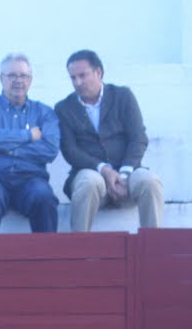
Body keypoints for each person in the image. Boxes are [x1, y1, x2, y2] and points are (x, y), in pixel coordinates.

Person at [54, 50, 165, 233]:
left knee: (150, 181)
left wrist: (124, 174)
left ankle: (152, 248)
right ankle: (79, 248)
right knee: (89, 181)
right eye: (73, 78)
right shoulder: (64, 108)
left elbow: (138, 137)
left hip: (128, 173)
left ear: (99, 72)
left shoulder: (123, 96)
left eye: (83, 75)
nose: (77, 83)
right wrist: (104, 170)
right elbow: (70, 150)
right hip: (91, 175)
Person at [0, 53, 61, 234]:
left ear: (31, 80)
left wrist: (4, 145)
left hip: (30, 179)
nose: (18, 80)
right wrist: (28, 135)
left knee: (44, 197)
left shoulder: (44, 113)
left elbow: (50, 150)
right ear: (1, 79)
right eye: (12, 75)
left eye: (23, 75)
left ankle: (47, 260)